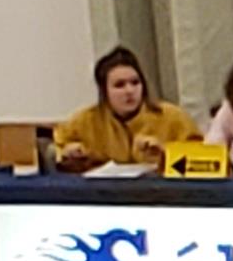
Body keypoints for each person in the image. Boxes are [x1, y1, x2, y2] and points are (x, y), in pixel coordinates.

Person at [51, 47, 193, 172]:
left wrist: (164, 154)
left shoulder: (172, 117)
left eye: (135, 82)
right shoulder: (85, 121)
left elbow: (201, 158)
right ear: (104, 91)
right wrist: (67, 154)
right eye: (119, 85)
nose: (129, 91)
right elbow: (56, 149)